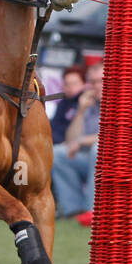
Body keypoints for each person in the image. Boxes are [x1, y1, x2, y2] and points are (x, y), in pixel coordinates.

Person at [51, 61, 103, 226]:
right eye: (93, 82)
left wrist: (81, 141)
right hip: (88, 158)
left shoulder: (122, 102)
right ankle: (74, 210)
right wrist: (80, 111)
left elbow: (114, 137)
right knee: (58, 153)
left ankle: (93, 211)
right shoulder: (88, 103)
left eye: (101, 81)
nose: (96, 86)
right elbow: (71, 138)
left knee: (98, 150)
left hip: (118, 161)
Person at [48, 65, 86, 145]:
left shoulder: (86, 102)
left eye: (74, 84)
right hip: (54, 142)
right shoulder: (62, 103)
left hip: (74, 145)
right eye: (67, 84)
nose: (70, 87)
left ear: (84, 84)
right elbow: (54, 125)